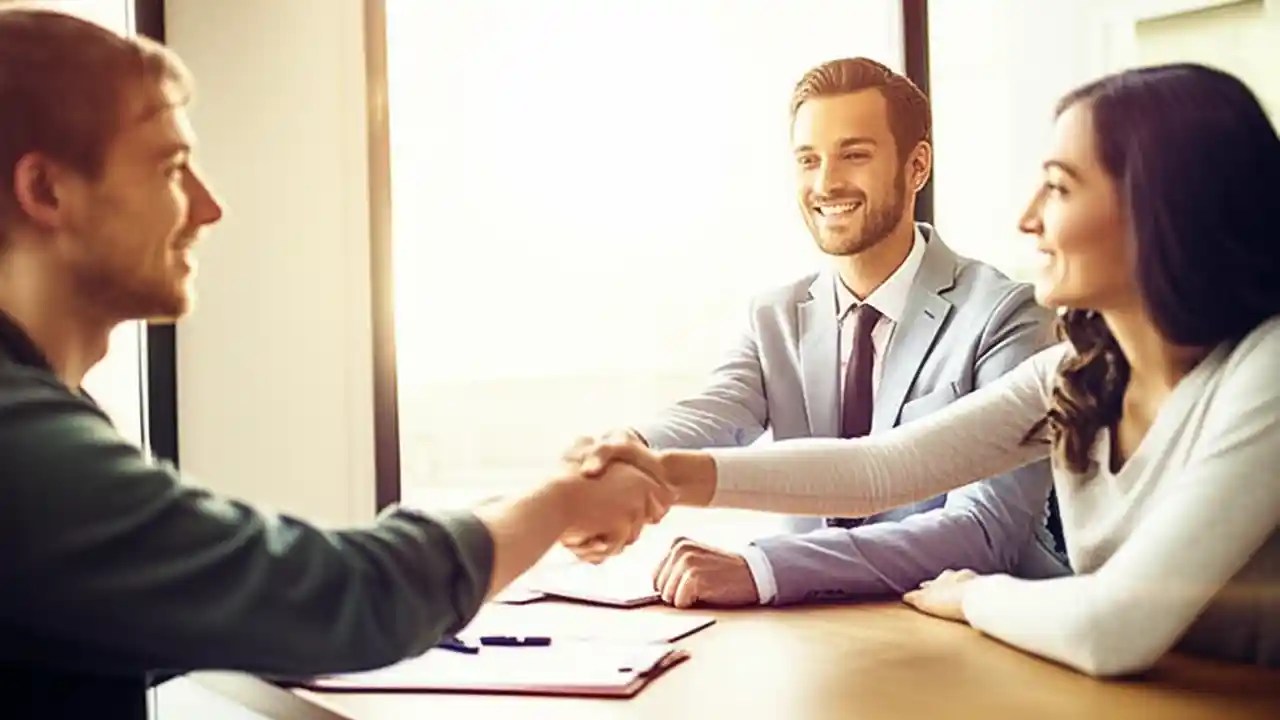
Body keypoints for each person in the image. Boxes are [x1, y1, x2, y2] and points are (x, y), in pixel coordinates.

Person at [0, 9, 668, 717]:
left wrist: (537, 505)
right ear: (47, 191)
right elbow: (338, 597)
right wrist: (560, 503)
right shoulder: (17, 441)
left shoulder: (43, 413)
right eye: (170, 169)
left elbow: (215, 595)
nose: (208, 207)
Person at [577, 63, 1280, 676]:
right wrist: (660, 472)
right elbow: (880, 467)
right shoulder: (1077, 373)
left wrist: (970, 595)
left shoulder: (1265, 370)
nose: (1028, 219)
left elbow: (1109, 629)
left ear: (1159, 207)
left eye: (1059, 189)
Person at [578, 57, 1066, 608]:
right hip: (817, 631)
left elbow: (986, 530)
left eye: (854, 155)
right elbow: (713, 413)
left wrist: (764, 567)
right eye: (808, 160)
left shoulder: (1005, 314)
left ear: (917, 166)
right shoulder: (775, 316)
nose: (826, 183)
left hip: (968, 630)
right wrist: (624, 454)